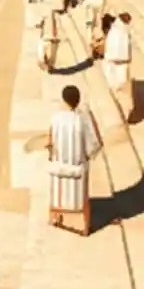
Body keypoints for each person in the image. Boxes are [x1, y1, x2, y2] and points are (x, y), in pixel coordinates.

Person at [47, 85, 104, 236]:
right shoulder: (81, 121)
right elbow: (93, 146)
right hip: (78, 170)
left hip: (58, 168)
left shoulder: (55, 119)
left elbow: (50, 142)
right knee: (83, 196)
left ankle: (55, 216)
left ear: (64, 100)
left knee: (57, 187)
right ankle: (85, 227)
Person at [103, 12, 134, 114]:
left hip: (114, 65)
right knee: (121, 91)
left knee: (119, 91)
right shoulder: (121, 32)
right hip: (117, 66)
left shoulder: (116, 31)